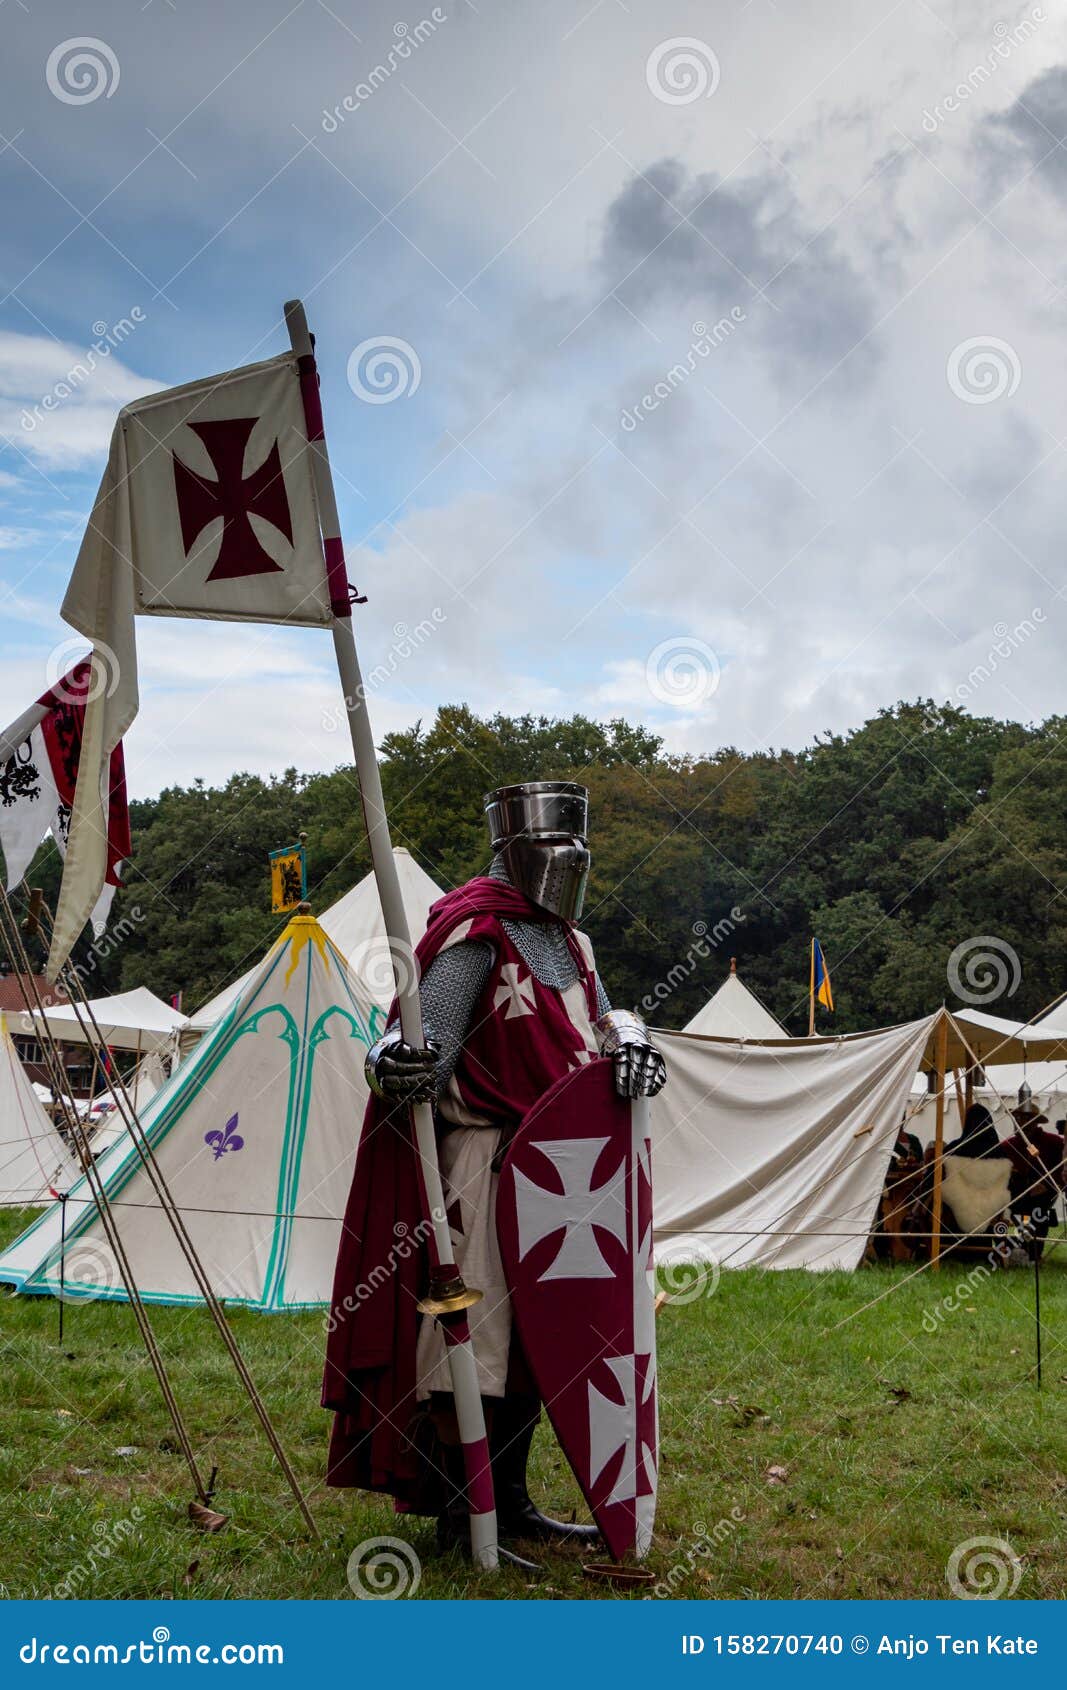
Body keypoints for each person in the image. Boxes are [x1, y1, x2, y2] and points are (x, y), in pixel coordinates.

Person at [322, 780, 667, 1559]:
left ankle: (509, 1501)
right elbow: (419, 1039)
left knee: (547, 1344)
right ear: (513, 851)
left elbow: (604, 1021)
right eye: (553, 848)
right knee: (473, 1349)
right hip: (482, 1161)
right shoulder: (474, 931)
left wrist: (634, 1042)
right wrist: (396, 1061)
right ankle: (460, 1517)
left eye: (578, 849)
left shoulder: (570, 942)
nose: (569, 864)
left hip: (570, 1176)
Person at [917, 1103, 1013, 1258]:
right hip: (990, 1212)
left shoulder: (956, 1148)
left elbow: (932, 1178)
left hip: (954, 1215)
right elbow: (1010, 1186)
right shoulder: (1000, 1152)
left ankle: (934, 1248)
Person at [999, 1102, 1064, 1258]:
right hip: (1017, 1196)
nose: (1018, 1121)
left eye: (1023, 1118)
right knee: (1021, 1219)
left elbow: (1062, 1170)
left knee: (1037, 1217)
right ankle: (1018, 1249)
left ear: (1035, 1122)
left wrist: (1047, 1185)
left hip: (1043, 1196)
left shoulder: (1053, 1142)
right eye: (1017, 1118)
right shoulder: (1008, 1146)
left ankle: (1033, 1251)